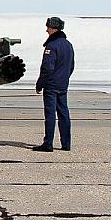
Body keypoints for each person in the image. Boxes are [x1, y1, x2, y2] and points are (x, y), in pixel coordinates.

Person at [32, 16, 74, 152]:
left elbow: (47, 68)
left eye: (48, 28)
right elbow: (71, 66)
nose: (46, 30)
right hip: (63, 84)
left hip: (51, 85)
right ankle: (66, 144)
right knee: (64, 113)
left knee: (50, 115)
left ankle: (48, 143)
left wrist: (40, 84)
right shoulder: (68, 45)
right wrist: (64, 78)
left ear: (53, 29)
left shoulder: (52, 45)